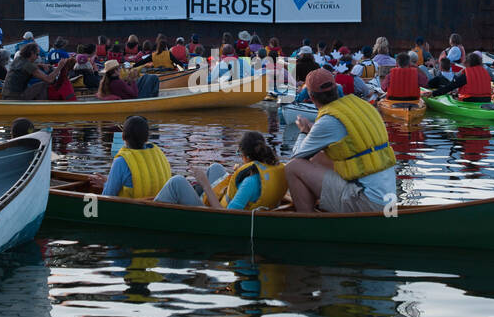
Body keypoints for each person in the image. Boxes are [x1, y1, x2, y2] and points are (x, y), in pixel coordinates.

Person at [284, 69, 397, 214]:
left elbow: (297, 157)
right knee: (318, 157)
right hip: (388, 201)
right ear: (337, 89)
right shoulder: (363, 106)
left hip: (367, 203)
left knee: (293, 167)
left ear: (312, 97)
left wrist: (304, 132)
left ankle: (307, 223)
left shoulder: (329, 119)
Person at [155, 132, 286, 210]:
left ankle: (153, 212)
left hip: (214, 216)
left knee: (176, 182)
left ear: (246, 157)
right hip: (230, 203)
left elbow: (227, 217)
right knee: (215, 167)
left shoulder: (250, 183)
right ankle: (190, 196)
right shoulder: (269, 170)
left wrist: (205, 184)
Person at [89, 115, 173, 199]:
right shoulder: (159, 153)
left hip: (135, 209)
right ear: (147, 138)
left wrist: (106, 185)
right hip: (159, 205)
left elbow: (107, 197)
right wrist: (108, 182)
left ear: (122, 137)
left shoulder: (121, 161)